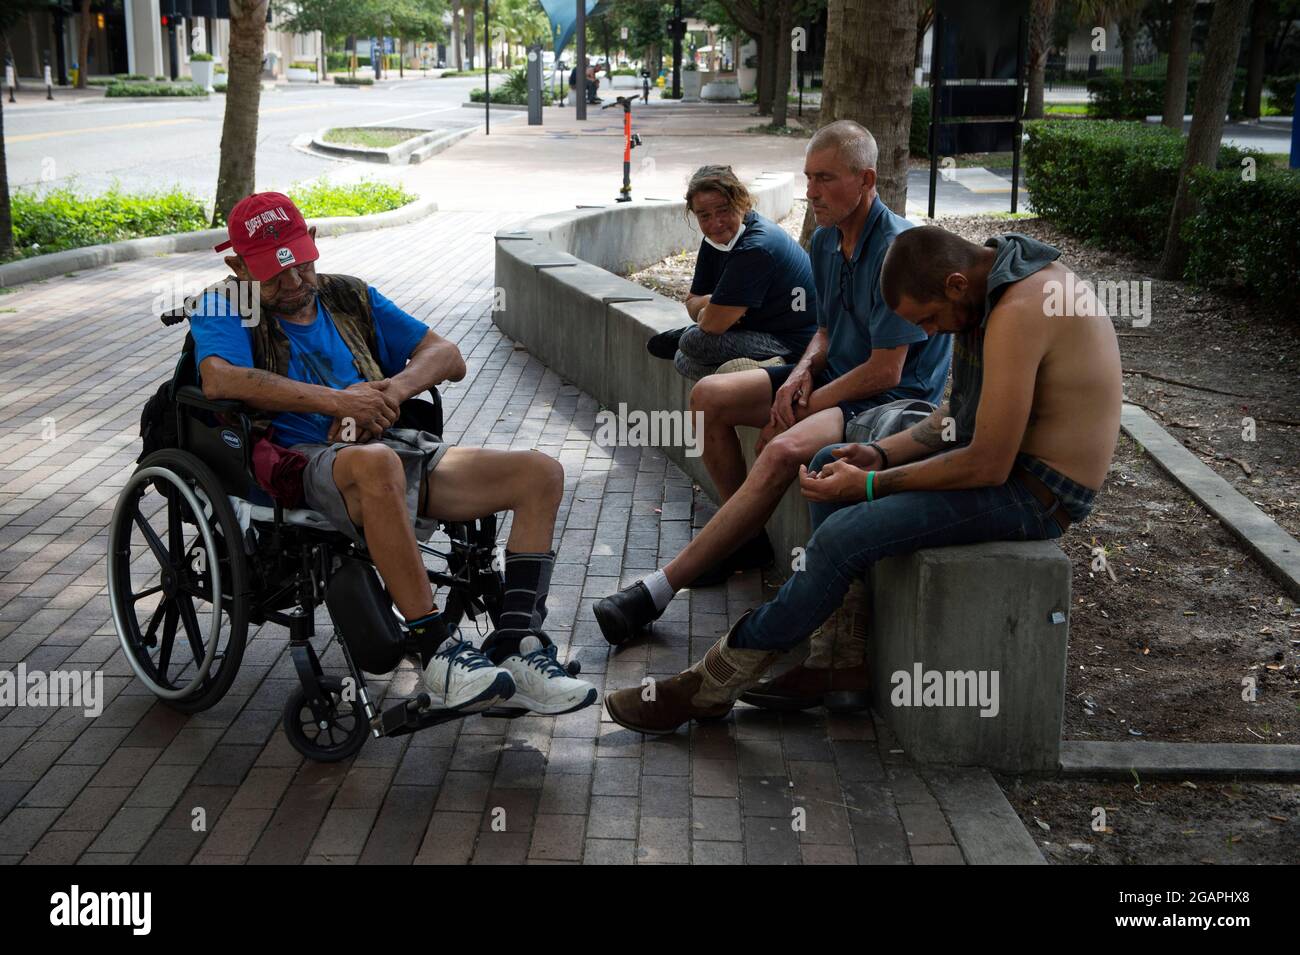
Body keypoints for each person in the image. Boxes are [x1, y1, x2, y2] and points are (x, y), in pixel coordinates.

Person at [603, 224, 1123, 734]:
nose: (927, 335)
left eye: (929, 321)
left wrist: (871, 485)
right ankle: (839, 664)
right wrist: (875, 452)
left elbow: (986, 461)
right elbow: (955, 420)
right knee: (833, 458)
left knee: (840, 537)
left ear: (955, 285)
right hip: (1006, 472)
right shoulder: (991, 286)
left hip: (1036, 495)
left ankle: (711, 682)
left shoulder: (1020, 309)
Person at [188, 192, 596, 717]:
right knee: (377, 462)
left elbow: (446, 355)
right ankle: (435, 649)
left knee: (539, 473)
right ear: (237, 266)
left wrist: (388, 394)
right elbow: (221, 379)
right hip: (297, 459)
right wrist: (338, 401)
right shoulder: (224, 304)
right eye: (272, 275)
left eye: (300, 264)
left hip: (382, 443)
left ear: (311, 243)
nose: (293, 284)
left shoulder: (348, 294)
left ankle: (518, 645)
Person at [594, 120, 952, 641]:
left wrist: (802, 406)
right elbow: (824, 329)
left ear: (867, 179)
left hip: (885, 399)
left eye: (825, 179)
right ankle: (745, 538)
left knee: (783, 449)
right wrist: (800, 375)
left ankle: (659, 589)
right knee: (708, 396)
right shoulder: (827, 240)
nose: (810, 191)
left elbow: (887, 370)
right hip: (830, 376)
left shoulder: (898, 249)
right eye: (808, 177)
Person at [650, 165, 818, 381]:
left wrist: (711, 311)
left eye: (723, 210)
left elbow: (712, 325)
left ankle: (777, 366)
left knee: (690, 343)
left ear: (742, 202)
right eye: (704, 216)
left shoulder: (756, 247)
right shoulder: (716, 240)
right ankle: (755, 369)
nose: (715, 223)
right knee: (683, 358)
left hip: (791, 342)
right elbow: (692, 302)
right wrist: (712, 303)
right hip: (755, 328)